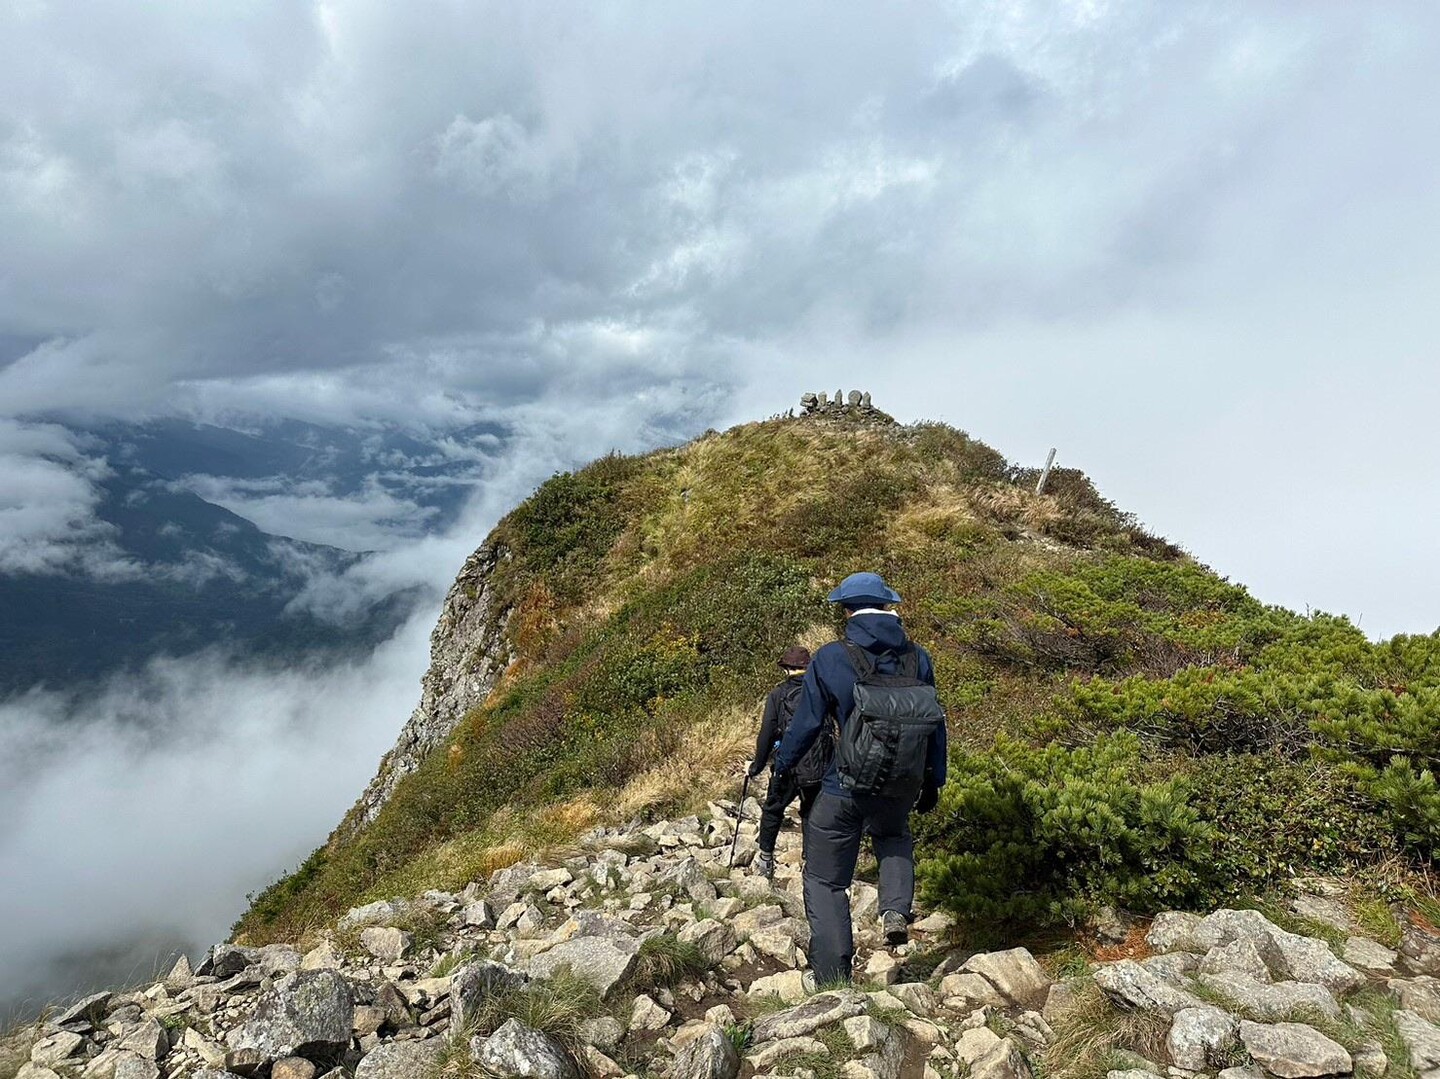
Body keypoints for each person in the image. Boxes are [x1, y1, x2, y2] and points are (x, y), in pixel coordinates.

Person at [772, 571, 947, 986]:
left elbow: (808, 723)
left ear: (846, 611)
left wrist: (783, 765)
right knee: (894, 834)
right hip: (902, 782)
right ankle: (894, 909)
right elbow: (935, 724)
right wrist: (932, 780)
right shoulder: (918, 657)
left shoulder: (832, 657)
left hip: (846, 784)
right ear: (889, 607)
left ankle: (833, 978)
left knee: (825, 879)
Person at [748, 645, 830, 878]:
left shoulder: (778, 694)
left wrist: (758, 765)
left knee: (773, 809)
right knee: (811, 812)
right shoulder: (821, 691)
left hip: (789, 765)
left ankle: (765, 861)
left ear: (786, 669)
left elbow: (767, 733)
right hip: (818, 765)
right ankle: (810, 862)